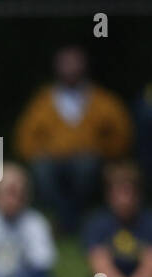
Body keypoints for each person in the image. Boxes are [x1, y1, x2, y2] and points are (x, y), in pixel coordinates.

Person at [14, 46, 133, 235]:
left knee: (86, 167)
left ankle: (67, 223)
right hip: (52, 160)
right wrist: (38, 153)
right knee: (42, 171)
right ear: (57, 68)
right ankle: (69, 221)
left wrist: (105, 152)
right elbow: (25, 136)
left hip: (89, 160)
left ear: (84, 67)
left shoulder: (102, 100)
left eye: (74, 64)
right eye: (65, 64)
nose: (70, 70)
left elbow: (120, 132)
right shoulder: (43, 101)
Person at [73, 162, 152, 277]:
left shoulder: (148, 222)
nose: (124, 199)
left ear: (138, 194)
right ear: (109, 194)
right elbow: (100, 264)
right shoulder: (98, 223)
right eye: (119, 192)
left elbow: (149, 265)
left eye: (128, 192)